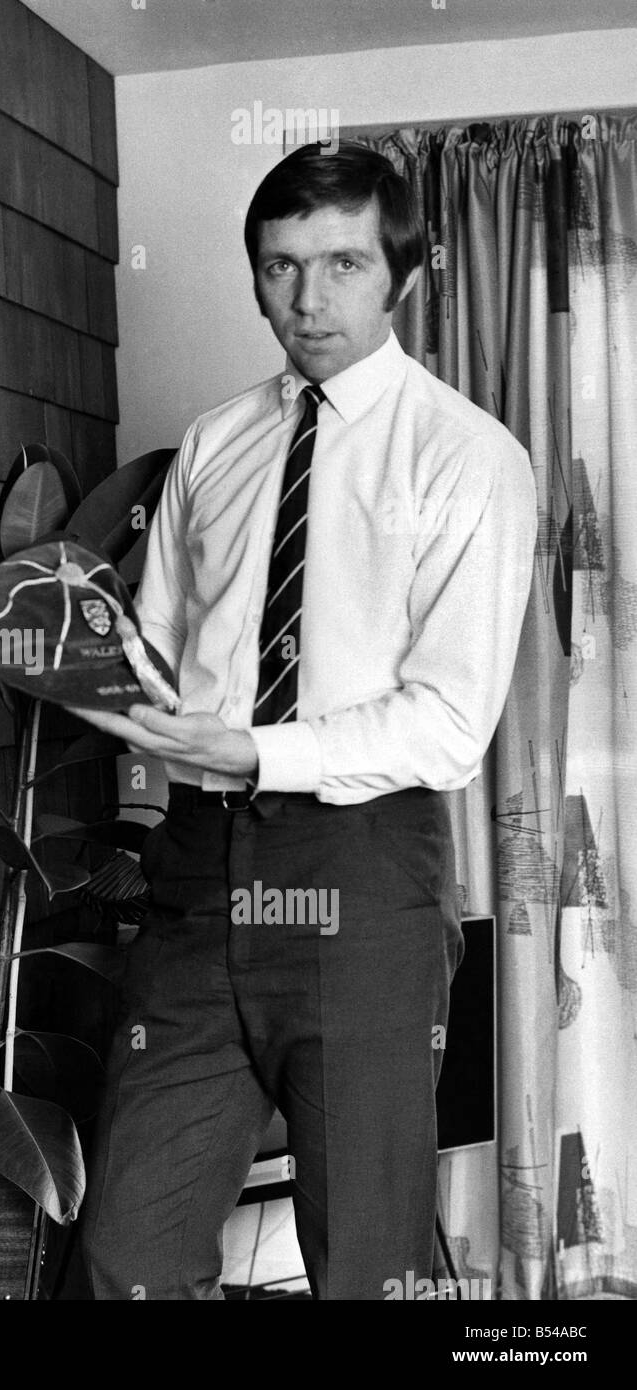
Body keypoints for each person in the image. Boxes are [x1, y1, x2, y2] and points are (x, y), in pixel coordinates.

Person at [68, 142, 538, 1300]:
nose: (308, 298)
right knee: (127, 1252)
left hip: (362, 869)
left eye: (340, 264)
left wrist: (259, 749)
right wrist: (92, 672)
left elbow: (447, 721)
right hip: (192, 873)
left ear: (401, 277)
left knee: (360, 1268)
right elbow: (164, 651)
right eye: (280, 267)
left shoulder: (468, 458)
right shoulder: (217, 445)